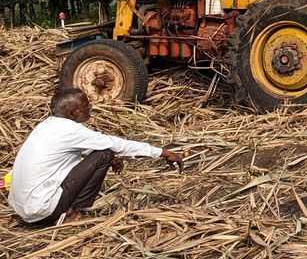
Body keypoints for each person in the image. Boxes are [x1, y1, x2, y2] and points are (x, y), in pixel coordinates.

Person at [8, 87, 184, 226]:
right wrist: (162, 152)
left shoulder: (47, 126)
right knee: (105, 153)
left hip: (25, 210)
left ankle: (63, 210)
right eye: (86, 105)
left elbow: (76, 150)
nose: (90, 107)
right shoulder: (70, 131)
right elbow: (115, 144)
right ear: (72, 114)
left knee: (105, 153)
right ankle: (69, 213)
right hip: (42, 211)